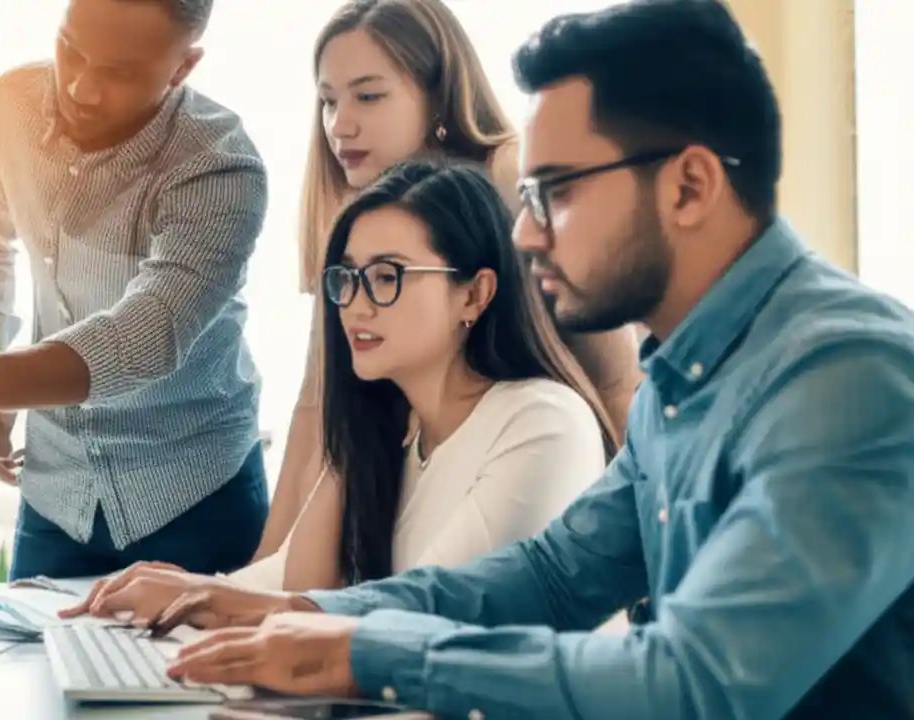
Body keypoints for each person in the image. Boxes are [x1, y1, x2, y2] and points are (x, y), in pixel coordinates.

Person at [72, 1, 914, 717]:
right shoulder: (684, 378)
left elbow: (702, 681)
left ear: (689, 187)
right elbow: (551, 578)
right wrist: (295, 611)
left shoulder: (845, 378)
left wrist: (371, 655)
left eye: (557, 191)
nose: (524, 231)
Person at [0, 0, 272, 580]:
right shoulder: (11, 105)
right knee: (29, 664)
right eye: (70, 50)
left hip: (195, 496)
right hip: (58, 494)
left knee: (188, 673)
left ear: (183, 68)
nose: (81, 88)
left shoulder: (220, 167)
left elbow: (147, 333)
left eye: (120, 72)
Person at [64, 161, 611, 604]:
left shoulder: (543, 421)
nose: (354, 304)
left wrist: (217, 601)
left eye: (385, 277)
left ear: (474, 294)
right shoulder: (395, 426)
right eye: (346, 278)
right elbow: (293, 581)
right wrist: (186, 590)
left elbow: (426, 612)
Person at [254, 0, 641, 566]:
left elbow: (615, 376)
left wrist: (640, 549)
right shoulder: (363, 223)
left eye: (369, 95)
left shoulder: (511, 181)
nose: (341, 125)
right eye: (329, 101)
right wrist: (256, 569)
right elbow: (317, 408)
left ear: (436, 95)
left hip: (550, 480)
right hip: (439, 489)